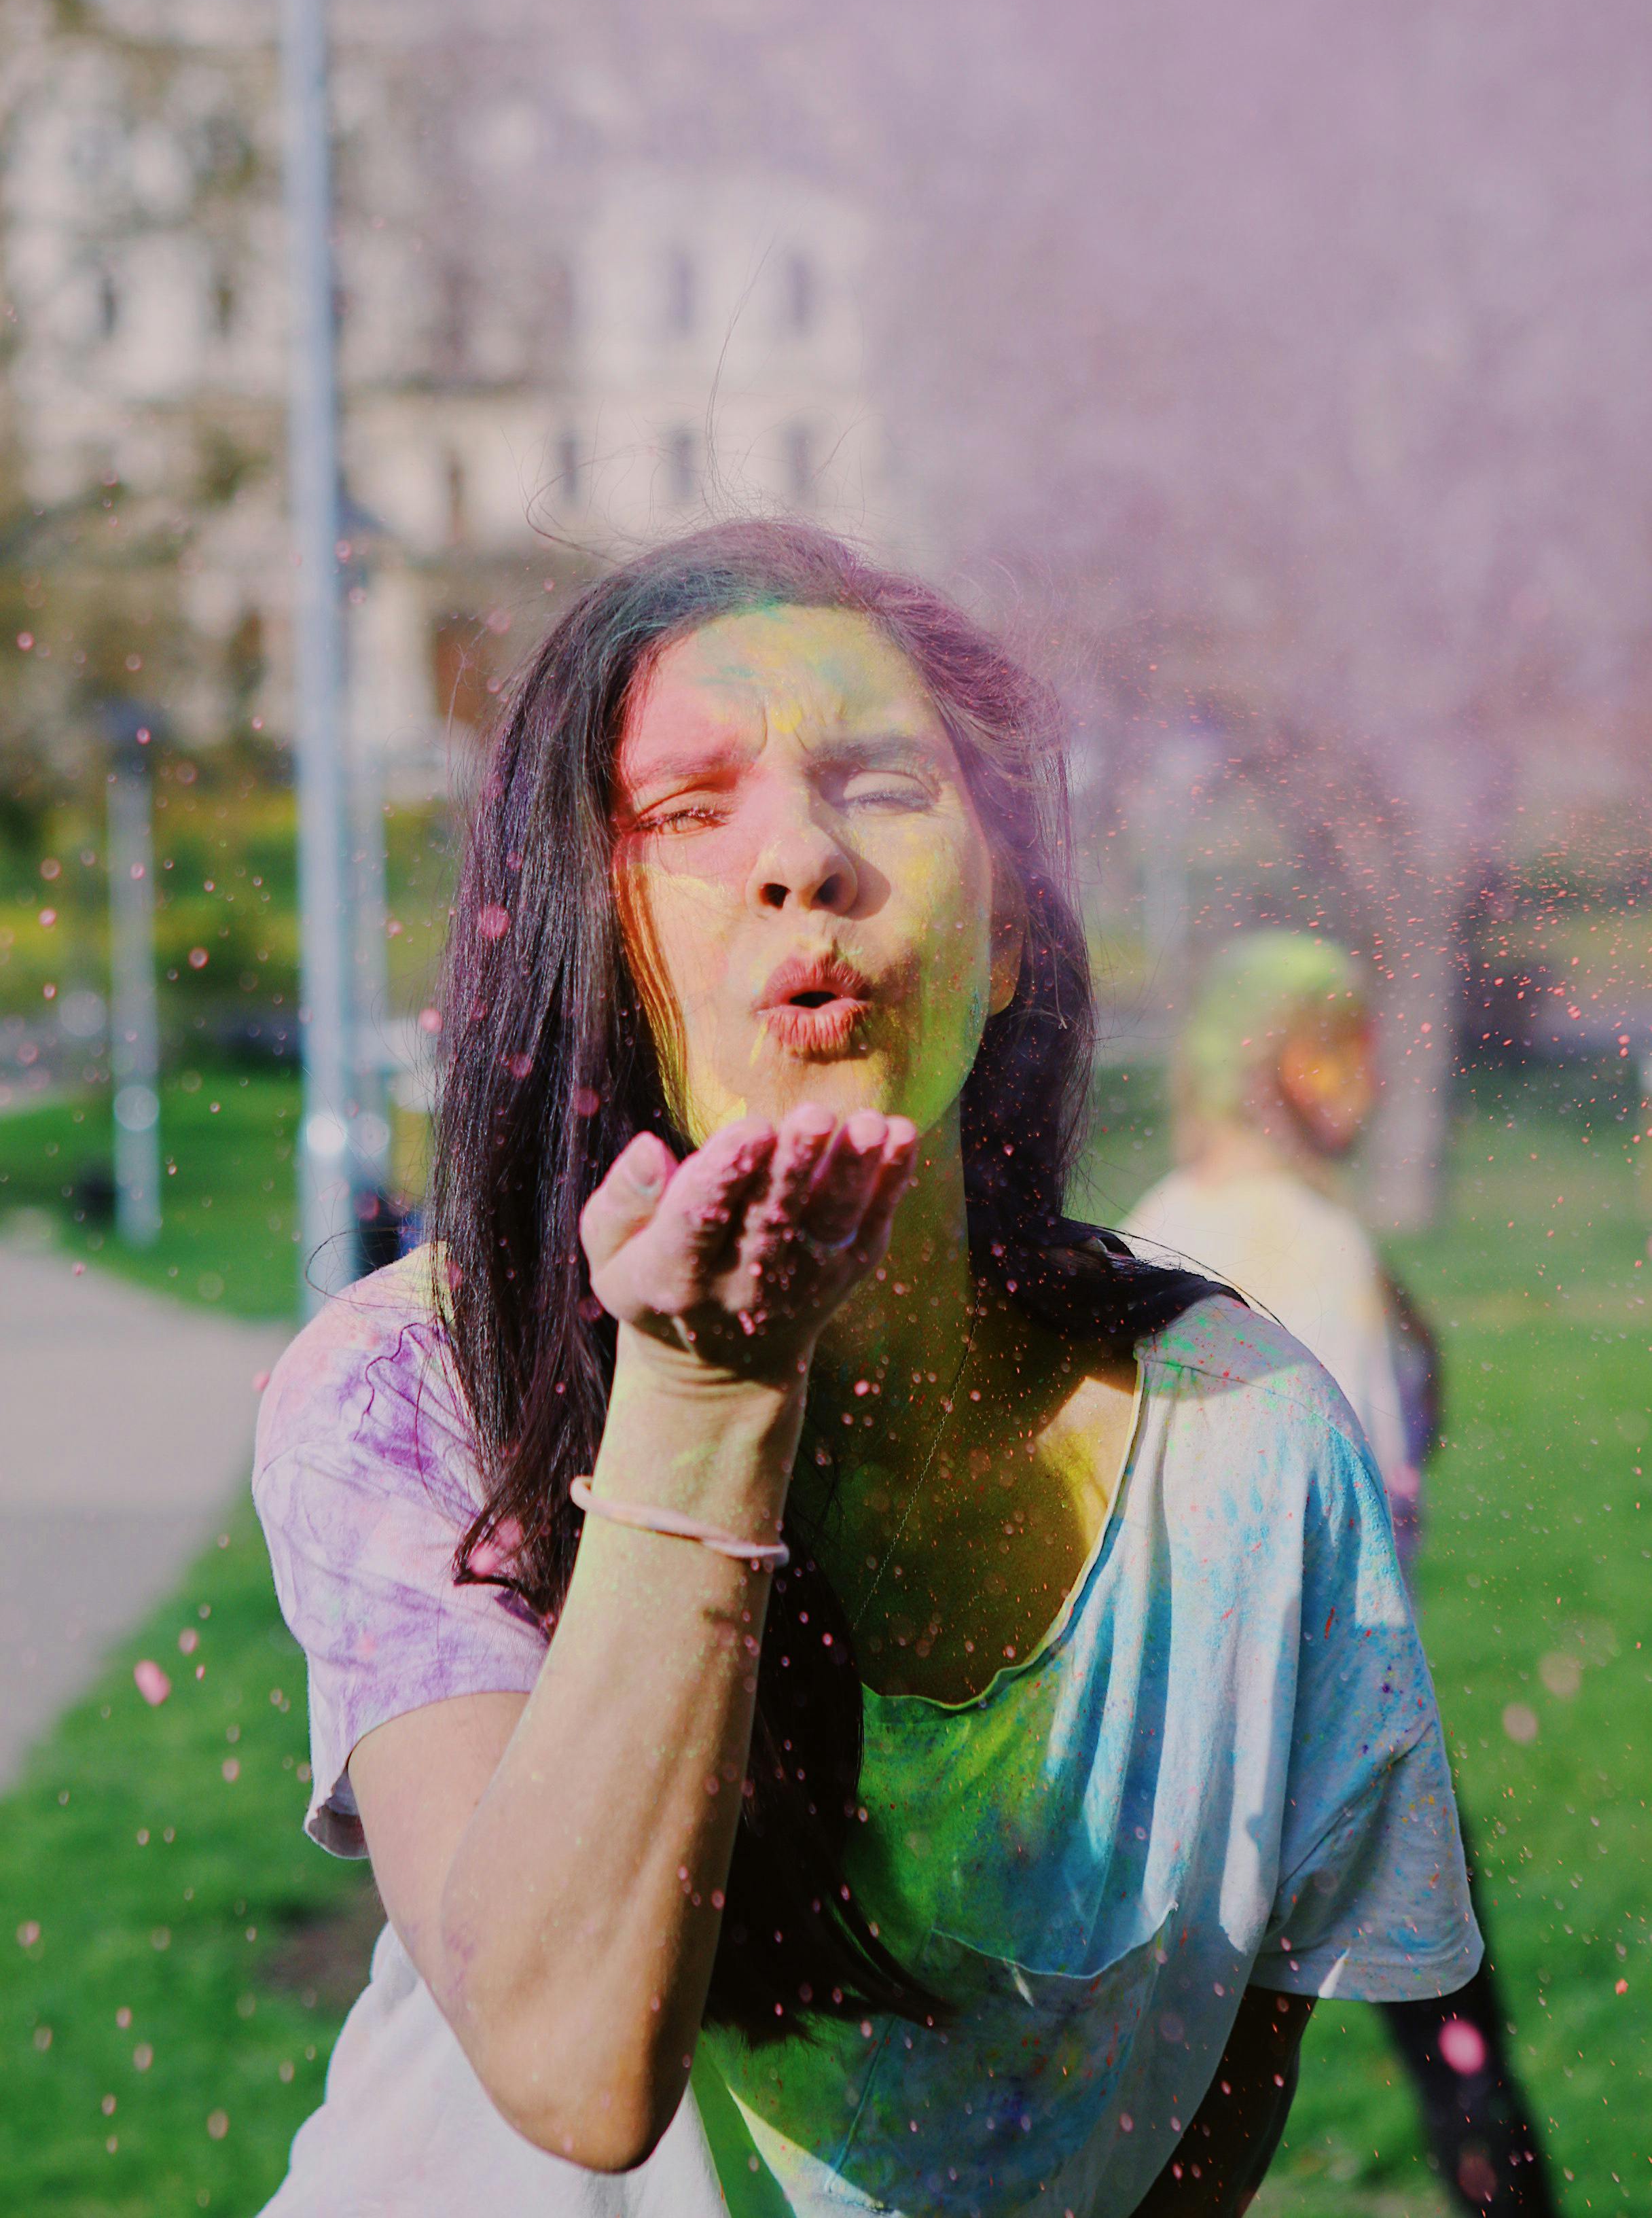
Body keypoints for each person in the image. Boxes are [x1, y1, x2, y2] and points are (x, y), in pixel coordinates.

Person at [253, 524, 1479, 2217]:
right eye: (688, 810)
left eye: (882, 782)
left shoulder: (1250, 1445)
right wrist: (709, 1395)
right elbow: (573, 2065)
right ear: (597, 949)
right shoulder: (416, 1385)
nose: (801, 858)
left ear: (1010, 938)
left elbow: (1196, 2127)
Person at [1125, 932, 1558, 2214]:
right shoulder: (1317, 1247)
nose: (1372, 1078)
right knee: (1459, 2065)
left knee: (1163, 2119)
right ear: (1284, 1065)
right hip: (1343, 1723)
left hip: (1167, 1736)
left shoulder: (1151, 1220)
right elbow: (1361, 1513)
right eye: (1347, 1044)